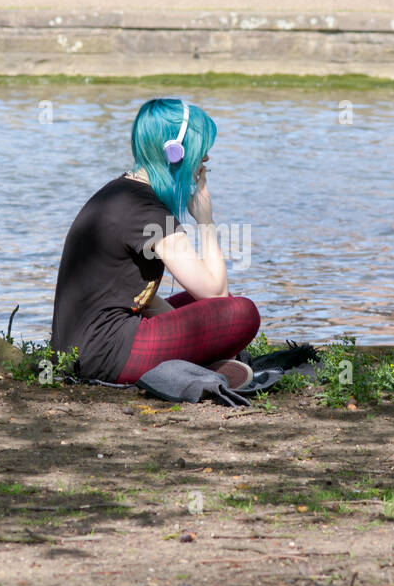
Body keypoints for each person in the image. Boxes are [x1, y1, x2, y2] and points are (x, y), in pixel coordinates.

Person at [50, 98, 261, 387]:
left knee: (197, 304)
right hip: (107, 354)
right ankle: (201, 367)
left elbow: (137, 300)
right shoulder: (147, 212)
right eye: (202, 149)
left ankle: (204, 363)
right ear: (176, 153)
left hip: (83, 348)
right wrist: (206, 221)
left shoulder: (123, 193)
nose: (207, 159)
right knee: (240, 312)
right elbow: (215, 293)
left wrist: (205, 334)